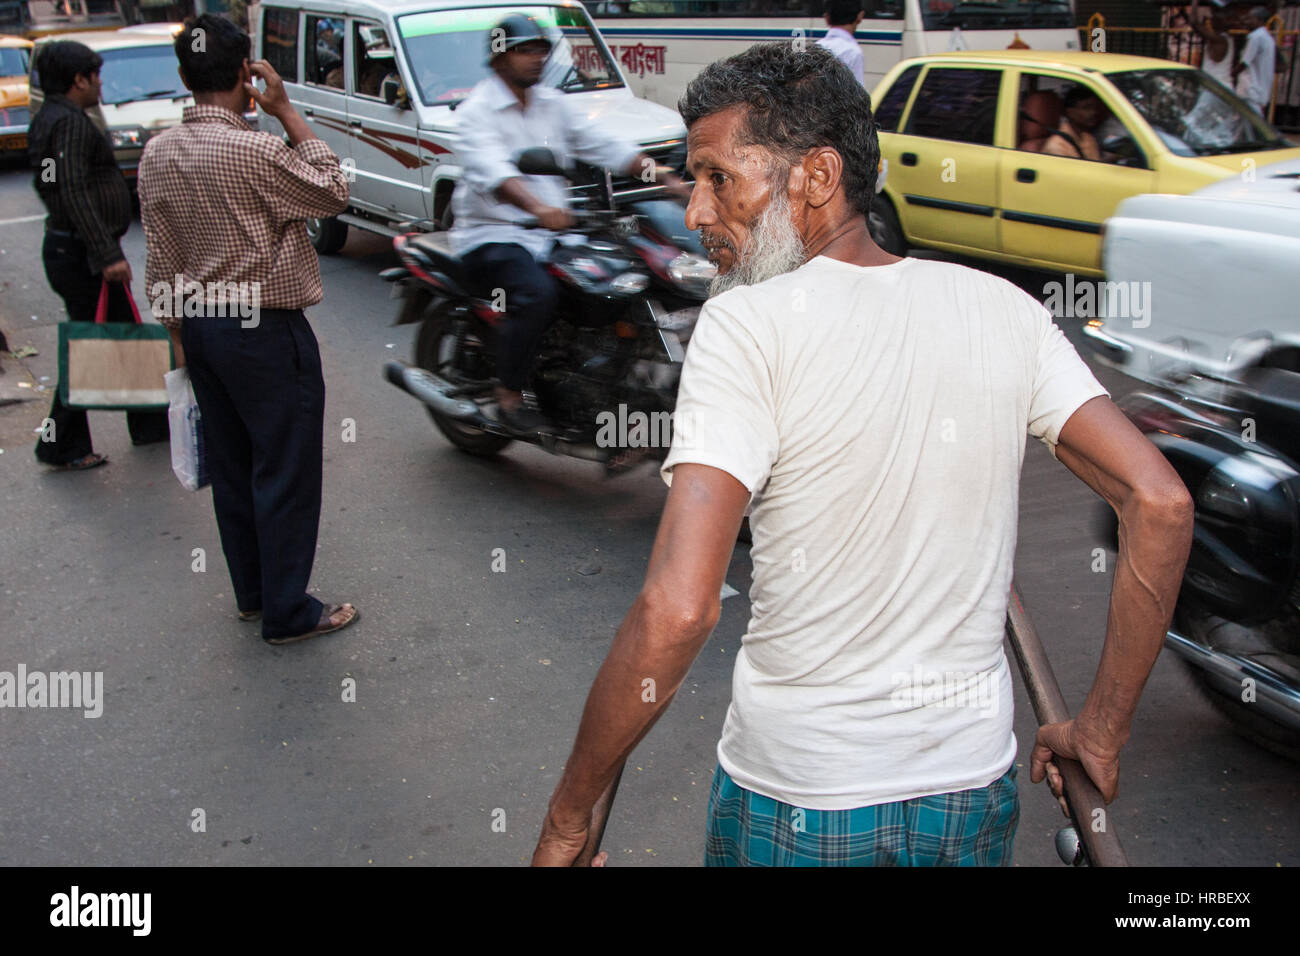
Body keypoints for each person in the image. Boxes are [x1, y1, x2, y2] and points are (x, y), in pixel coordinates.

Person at [531, 42, 1193, 867]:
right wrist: (1100, 729)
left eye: (718, 178)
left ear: (814, 176)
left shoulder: (744, 326)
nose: (697, 212)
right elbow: (1159, 503)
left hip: (800, 801)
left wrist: (567, 818)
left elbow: (678, 610)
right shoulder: (1002, 309)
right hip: (967, 797)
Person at [137, 15, 358, 646]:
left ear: (184, 76)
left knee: (233, 467)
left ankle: (256, 595)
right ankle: (289, 612)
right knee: (284, 468)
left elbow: (162, 256)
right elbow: (333, 191)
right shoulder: (256, 150)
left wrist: (177, 335)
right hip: (264, 333)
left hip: (203, 330)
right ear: (246, 75)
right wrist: (288, 111)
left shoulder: (158, 153)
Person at [449, 14, 689, 435]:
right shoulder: (476, 113)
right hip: (494, 237)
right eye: (525, 50)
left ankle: (603, 386)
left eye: (541, 49)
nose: (536, 58)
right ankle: (508, 394)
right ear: (499, 58)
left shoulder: (552, 105)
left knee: (620, 280)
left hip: (554, 235)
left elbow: (608, 147)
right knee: (537, 294)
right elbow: (497, 175)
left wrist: (667, 180)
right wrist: (540, 208)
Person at [28, 40, 170, 471]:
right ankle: (60, 443)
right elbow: (71, 191)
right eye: (96, 75)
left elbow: (51, 185)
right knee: (90, 347)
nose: (101, 83)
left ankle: (150, 425)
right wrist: (107, 253)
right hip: (82, 253)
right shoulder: (70, 123)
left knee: (124, 337)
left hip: (68, 246)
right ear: (78, 80)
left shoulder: (49, 117)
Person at [1041, 86, 1106, 160]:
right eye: (1086, 108)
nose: (1093, 112)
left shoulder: (1088, 138)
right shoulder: (1057, 145)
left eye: (1094, 108)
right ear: (1070, 112)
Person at [1182, 0, 1234, 90]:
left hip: (1216, 87)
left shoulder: (1219, 39)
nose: (1211, 19)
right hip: (1218, 87)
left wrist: (1195, 2)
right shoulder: (1225, 38)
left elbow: (1194, 22)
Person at [1233, 5, 1276, 115]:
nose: (1247, 22)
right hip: (1258, 89)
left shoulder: (1255, 37)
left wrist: (1232, 74)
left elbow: (1245, 62)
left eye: (1250, 18)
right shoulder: (1268, 37)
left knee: (1252, 120)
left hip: (1250, 89)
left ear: (1259, 20)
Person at [815, 0, 865, 85]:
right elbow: (856, 95)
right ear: (860, 16)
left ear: (826, 18)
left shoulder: (814, 48)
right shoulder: (853, 53)